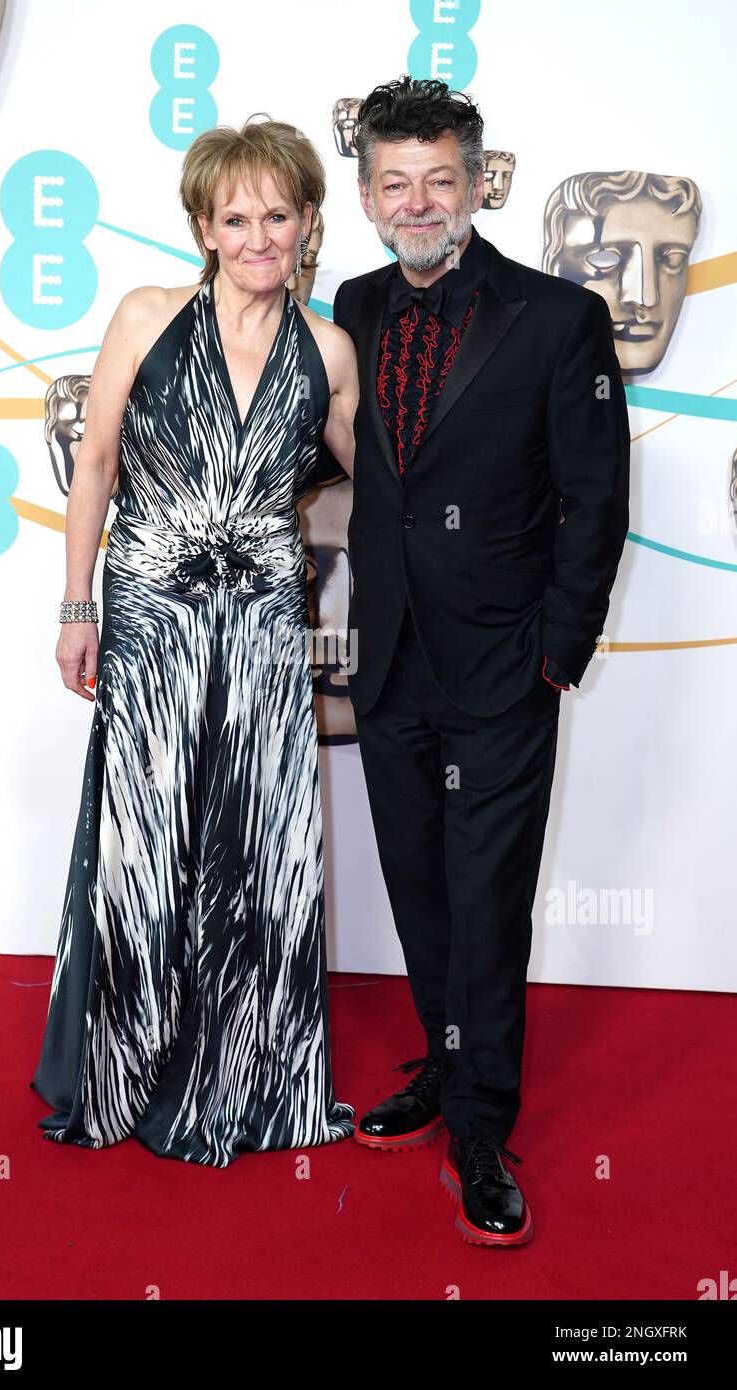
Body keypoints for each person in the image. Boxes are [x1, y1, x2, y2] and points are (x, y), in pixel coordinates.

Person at [326, 78, 630, 1243]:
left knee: (487, 898)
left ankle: (480, 1125)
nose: (417, 201)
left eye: (437, 179)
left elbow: (592, 493)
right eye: (393, 182)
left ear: (475, 184)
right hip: (389, 656)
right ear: (363, 195)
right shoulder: (348, 305)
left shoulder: (554, 318)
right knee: (417, 885)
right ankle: (445, 1071)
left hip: (505, 663)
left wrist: (559, 648)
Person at [30, 117, 359, 1166]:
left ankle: (244, 1073)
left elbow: (391, 481)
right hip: (153, 612)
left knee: (261, 842)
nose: (259, 235)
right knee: (146, 836)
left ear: (308, 219)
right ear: (203, 227)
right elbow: (94, 470)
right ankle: (126, 1064)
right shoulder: (142, 316)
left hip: (263, 620)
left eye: (277, 214)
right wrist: (77, 606)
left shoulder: (333, 349)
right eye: (235, 218)